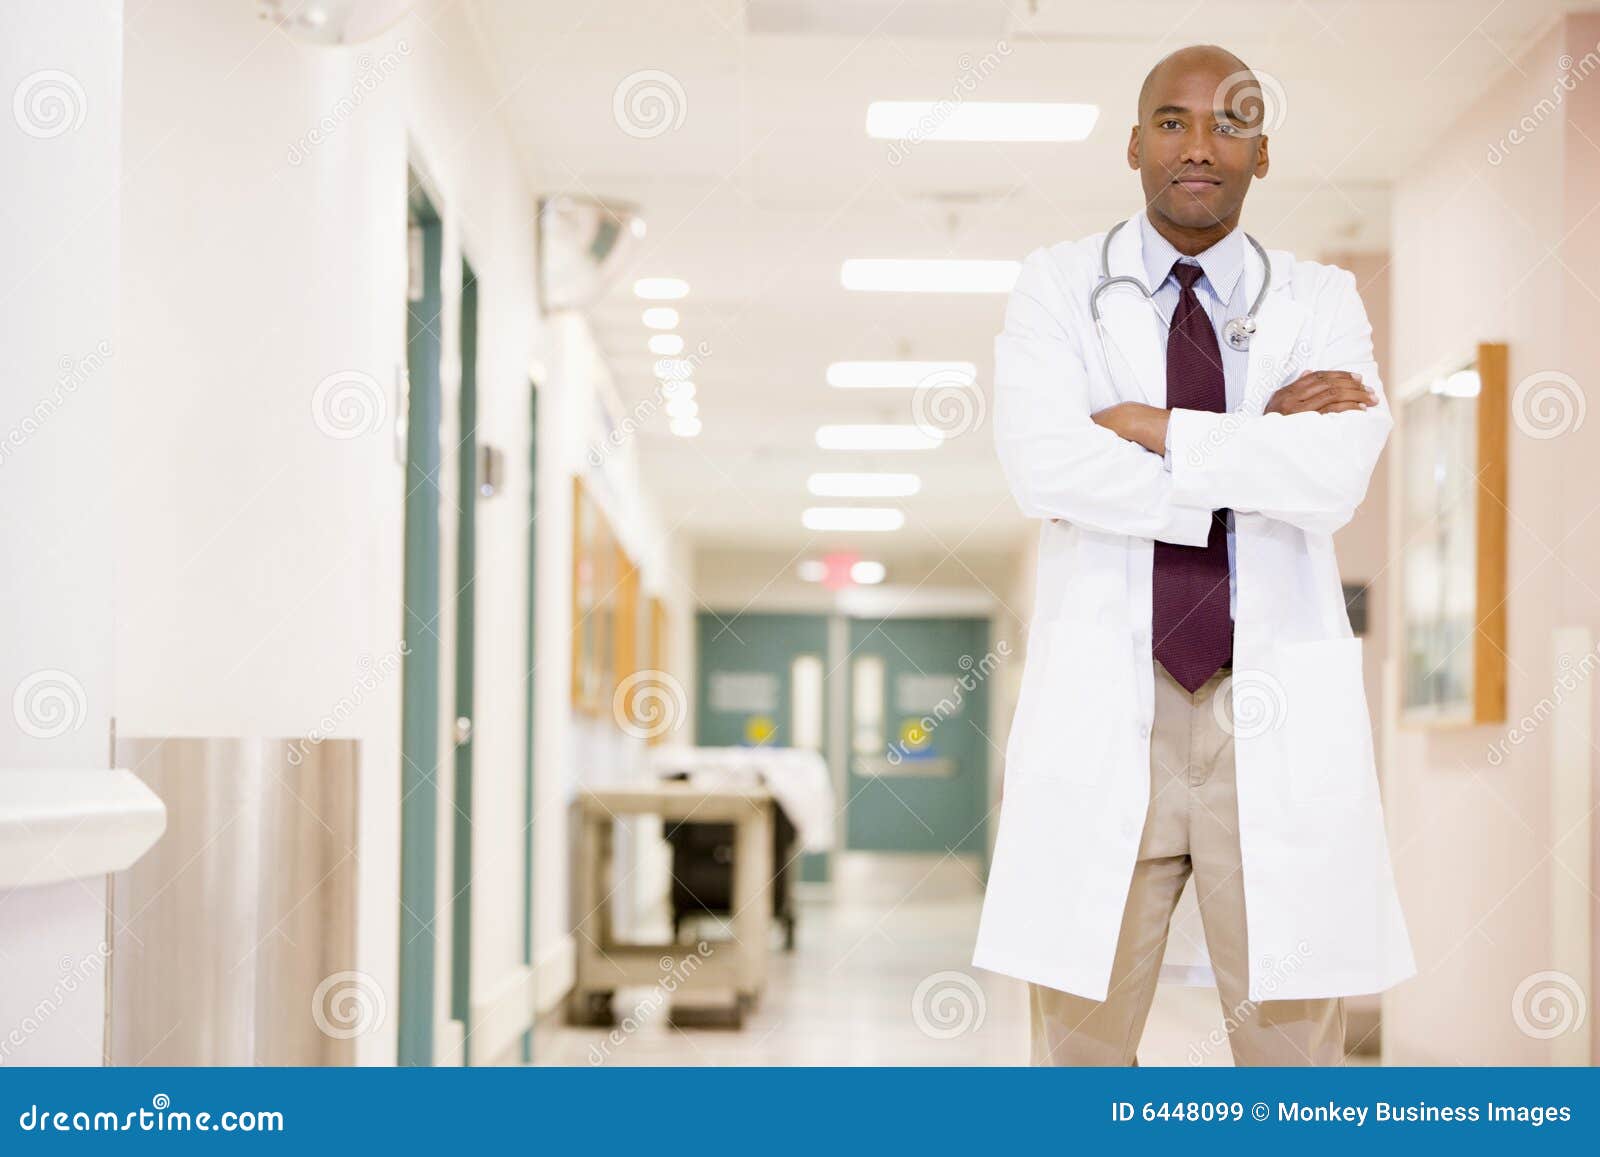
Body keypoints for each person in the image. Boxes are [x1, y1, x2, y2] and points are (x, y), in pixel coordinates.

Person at [971, 43, 1415, 1066]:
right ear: (1134, 144)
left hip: (1270, 712)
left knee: (1290, 1062)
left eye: (1231, 122)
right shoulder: (1054, 285)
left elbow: (1332, 479)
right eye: (1173, 122)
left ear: (1263, 153)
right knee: (1078, 1064)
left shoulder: (1321, 300)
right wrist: (1252, 438)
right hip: (1108, 703)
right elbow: (1046, 466)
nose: (1199, 145)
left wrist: (1148, 423)